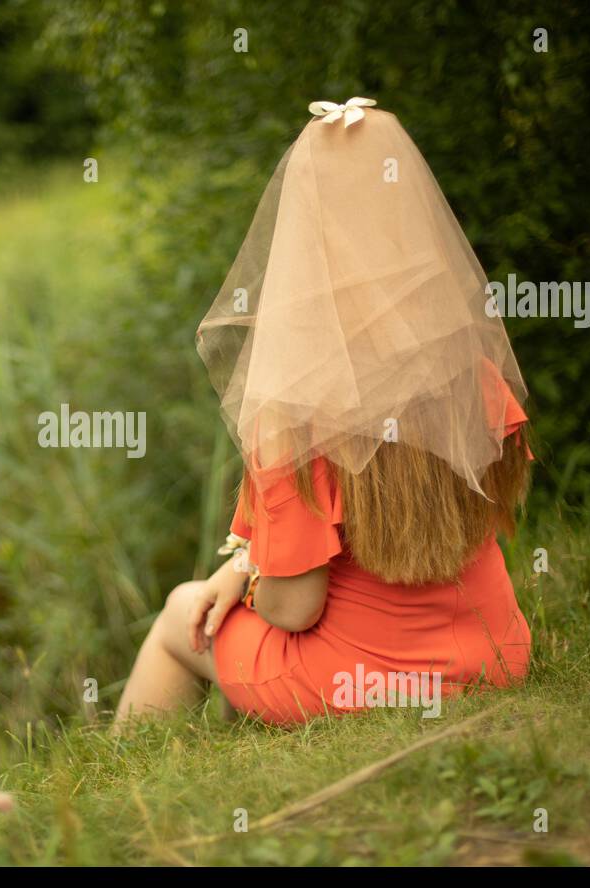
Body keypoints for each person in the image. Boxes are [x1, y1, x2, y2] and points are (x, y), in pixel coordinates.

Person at [115, 98, 534, 728]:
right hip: (494, 654)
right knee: (220, 600)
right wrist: (246, 564)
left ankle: (119, 792)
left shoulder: (298, 401)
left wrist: (252, 583)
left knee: (181, 613)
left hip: (368, 681)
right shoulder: (464, 369)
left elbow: (295, 609)